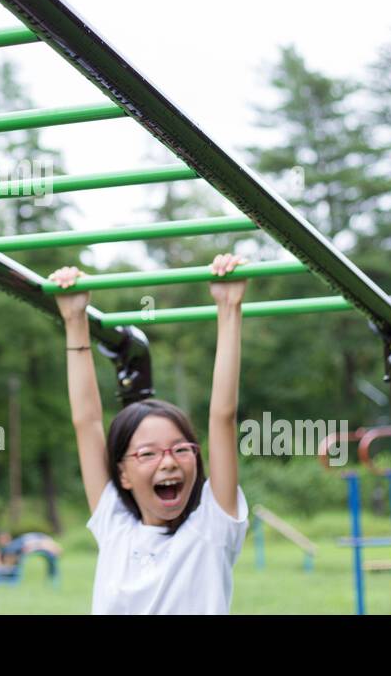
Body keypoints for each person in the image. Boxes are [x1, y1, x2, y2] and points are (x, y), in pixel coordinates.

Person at [49, 253, 250, 614]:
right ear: (122, 473)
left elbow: (223, 416)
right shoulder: (115, 528)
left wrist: (229, 306)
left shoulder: (211, 530)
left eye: (180, 449)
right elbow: (87, 420)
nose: (169, 462)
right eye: (148, 453)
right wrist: (74, 319)